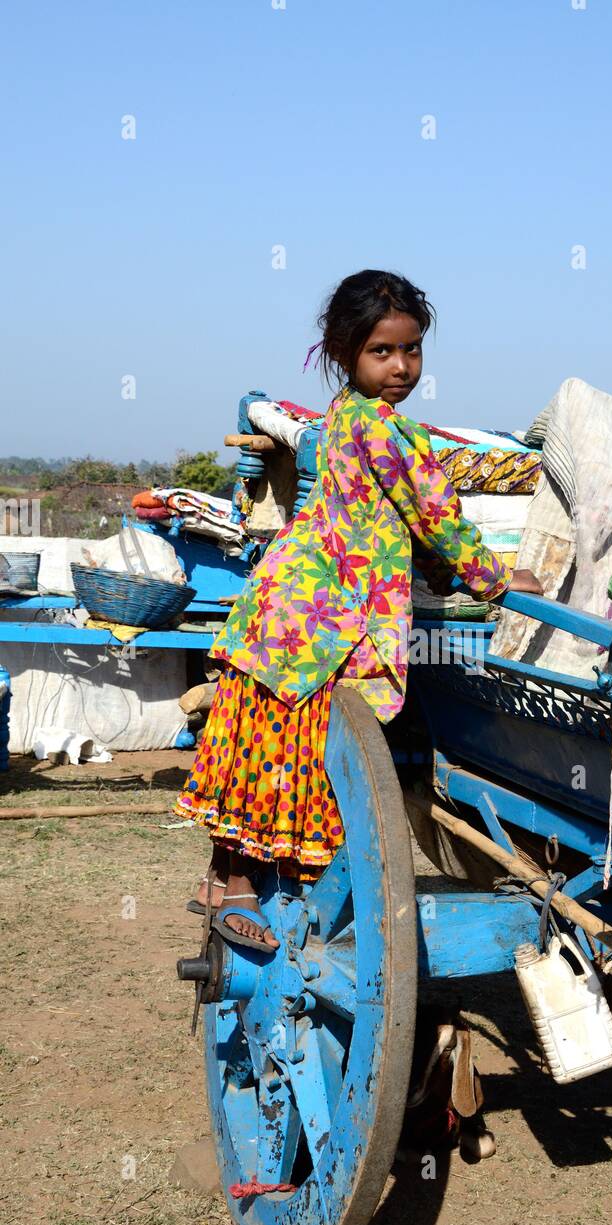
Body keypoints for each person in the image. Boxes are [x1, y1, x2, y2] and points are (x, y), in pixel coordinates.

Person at [174, 269, 543, 950]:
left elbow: (396, 528)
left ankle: (223, 881)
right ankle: (241, 891)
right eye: (382, 351)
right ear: (344, 352)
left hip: (284, 608)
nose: (401, 366)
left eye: (412, 350)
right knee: (285, 758)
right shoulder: (384, 431)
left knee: (257, 754)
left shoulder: (344, 415)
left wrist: (443, 566)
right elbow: (437, 521)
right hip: (318, 624)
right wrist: (496, 579)